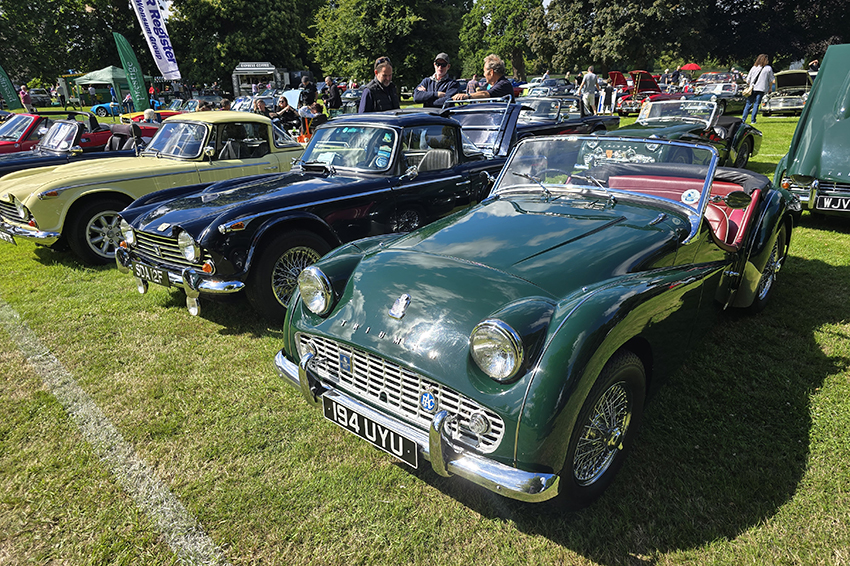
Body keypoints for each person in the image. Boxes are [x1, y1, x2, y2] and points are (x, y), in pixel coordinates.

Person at [741, 53, 775, 124]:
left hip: (752, 88)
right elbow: (771, 80)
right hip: (761, 89)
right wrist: (770, 88)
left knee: (748, 104)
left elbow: (748, 80)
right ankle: (753, 120)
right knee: (756, 104)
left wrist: (750, 85)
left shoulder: (754, 68)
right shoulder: (768, 68)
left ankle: (743, 120)